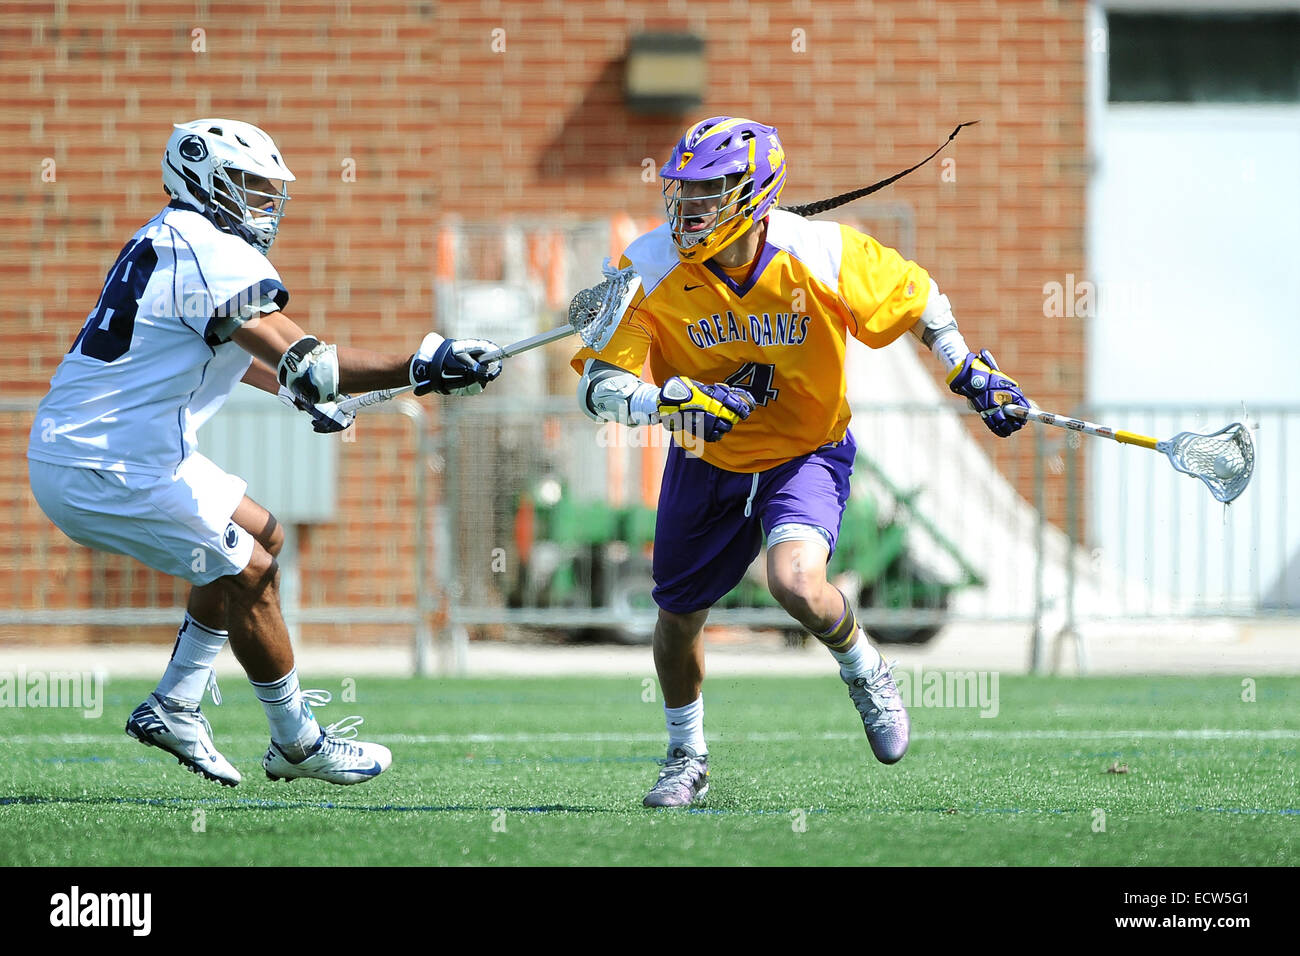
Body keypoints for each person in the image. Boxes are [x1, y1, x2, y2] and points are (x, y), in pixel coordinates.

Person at [571, 116, 1030, 807]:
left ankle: (865, 668)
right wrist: (669, 401)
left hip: (804, 451)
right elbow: (598, 386)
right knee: (677, 617)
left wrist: (965, 366)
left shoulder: (817, 251)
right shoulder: (652, 265)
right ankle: (685, 755)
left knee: (795, 584)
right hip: (708, 454)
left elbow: (919, 298)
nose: (688, 210)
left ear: (752, 195)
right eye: (684, 193)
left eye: (709, 193)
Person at [27, 118, 502, 787]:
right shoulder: (211, 248)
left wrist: (301, 392)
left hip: (111, 450)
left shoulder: (170, 237)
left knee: (264, 534)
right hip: (106, 463)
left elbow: (234, 353)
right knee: (250, 574)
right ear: (202, 178)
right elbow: (313, 361)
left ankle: (177, 702)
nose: (263, 201)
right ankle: (297, 743)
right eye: (248, 185)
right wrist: (424, 363)